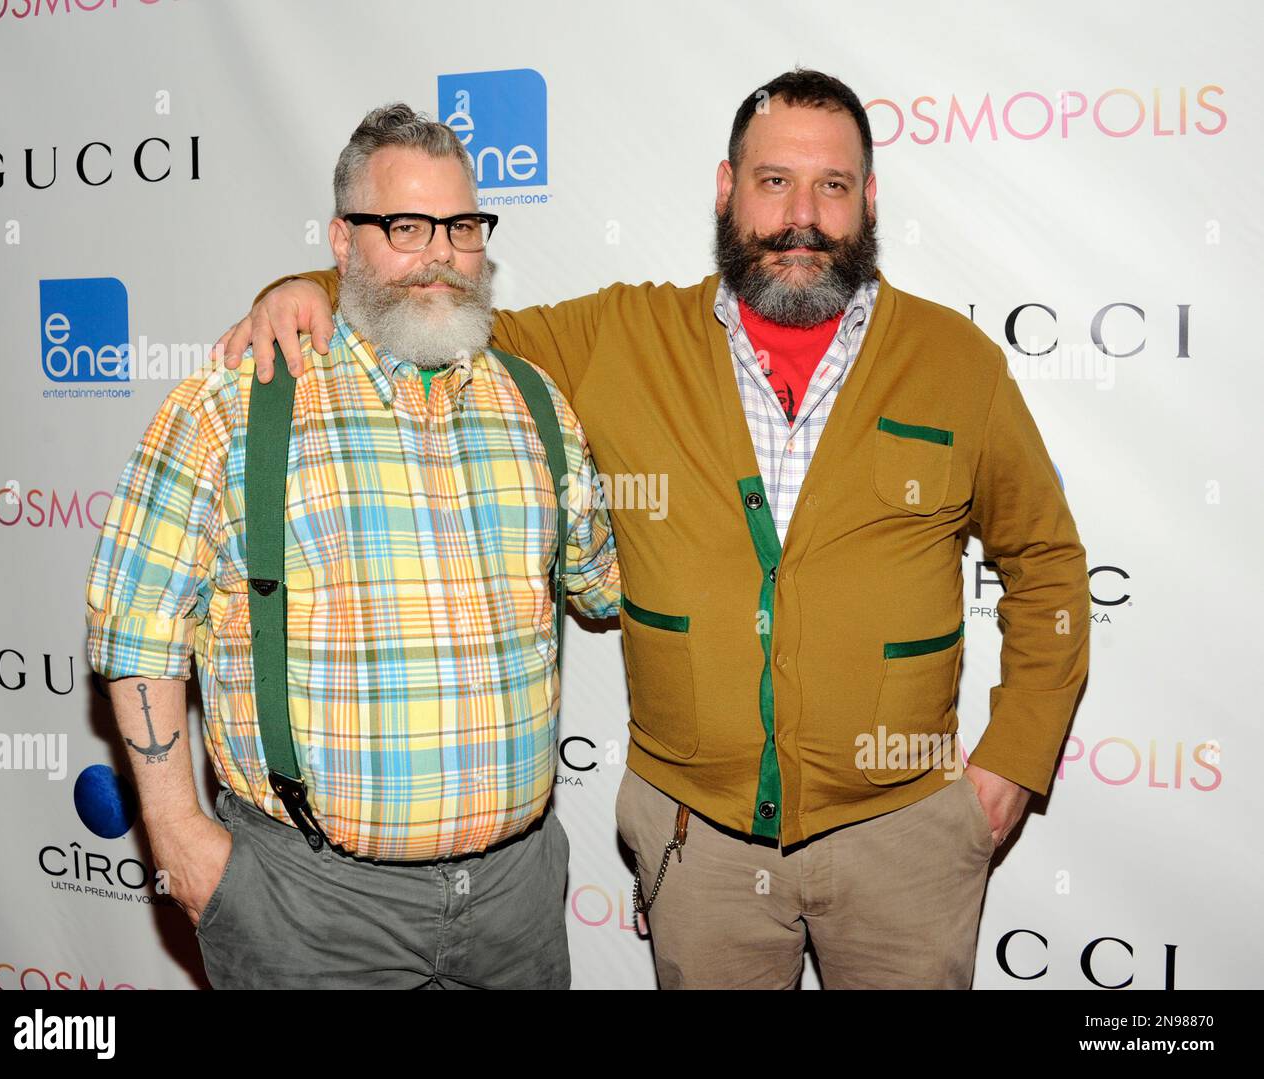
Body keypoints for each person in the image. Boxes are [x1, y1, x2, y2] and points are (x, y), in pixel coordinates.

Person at [216, 69, 1090, 989]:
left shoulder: (956, 361)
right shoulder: (623, 334)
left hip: (905, 836)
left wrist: (1014, 761)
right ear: (725, 190)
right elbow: (449, 310)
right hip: (697, 845)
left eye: (832, 186)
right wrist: (309, 284)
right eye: (773, 181)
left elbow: (1046, 563)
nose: (803, 213)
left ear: (869, 201)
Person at [86, 103, 619, 989]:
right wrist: (181, 843)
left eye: (461, 227)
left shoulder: (535, 403)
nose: (440, 254)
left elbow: (601, 581)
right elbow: (135, 628)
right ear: (341, 241)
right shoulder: (235, 405)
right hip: (307, 908)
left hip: (518, 900)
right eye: (405, 227)